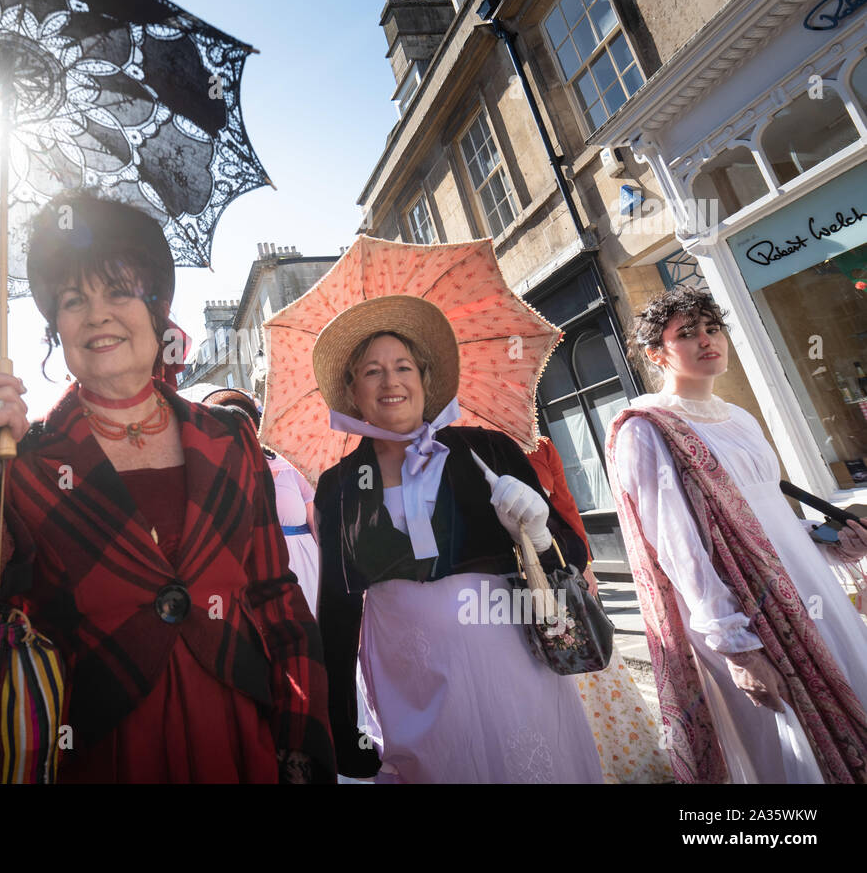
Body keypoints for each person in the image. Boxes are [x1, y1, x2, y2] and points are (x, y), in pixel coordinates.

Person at [0, 193, 334, 783]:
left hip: (239, 743)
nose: (97, 314)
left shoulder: (230, 439)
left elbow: (277, 600)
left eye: (119, 291)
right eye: (74, 300)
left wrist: (302, 746)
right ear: (57, 327)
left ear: (157, 310)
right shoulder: (24, 461)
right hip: (99, 752)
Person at [313, 295, 603, 783]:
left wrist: (537, 530)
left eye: (403, 366)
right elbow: (337, 611)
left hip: (511, 655)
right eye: (372, 371)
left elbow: (566, 555)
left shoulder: (488, 450)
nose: (391, 381)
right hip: (409, 675)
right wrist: (342, 729)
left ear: (425, 380)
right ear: (352, 392)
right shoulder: (339, 486)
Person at [607, 286, 867, 783]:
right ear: (657, 354)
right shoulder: (648, 428)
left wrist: (830, 539)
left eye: (713, 328)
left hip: (811, 589)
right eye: (687, 334)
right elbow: (679, 547)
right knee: (794, 752)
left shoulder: (741, 417)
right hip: (743, 609)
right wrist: (738, 645)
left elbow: (767, 518)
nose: (707, 340)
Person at [527, 436, 673, 783]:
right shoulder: (461, 449)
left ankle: (619, 764)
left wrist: (587, 564)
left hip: (559, 571)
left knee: (590, 662)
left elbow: (565, 506)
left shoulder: (541, 445)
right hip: (509, 581)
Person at [203, 388, 322, 616]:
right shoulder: (220, 484)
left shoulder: (291, 468)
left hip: (309, 568)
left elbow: (317, 525)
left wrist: (335, 573)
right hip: (260, 573)